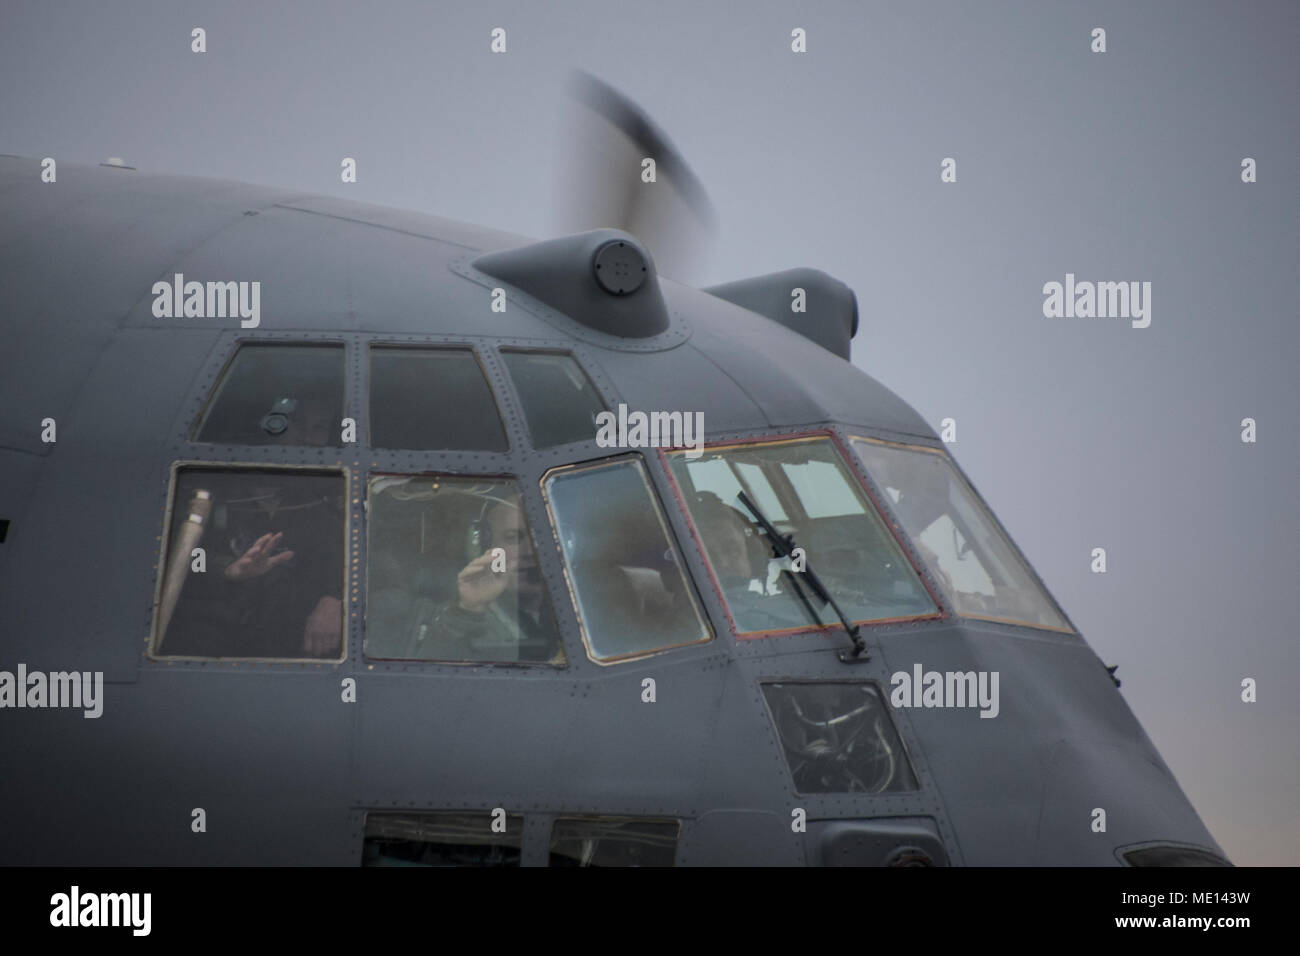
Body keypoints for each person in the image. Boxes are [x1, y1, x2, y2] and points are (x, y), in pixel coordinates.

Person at [368, 495, 560, 663]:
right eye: (513, 538)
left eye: (541, 538)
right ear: (485, 547)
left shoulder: (577, 613)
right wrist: (469, 610)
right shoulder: (444, 616)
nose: (529, 551)